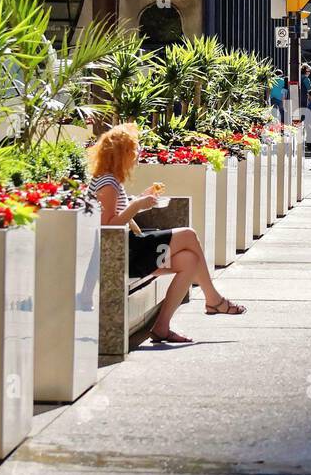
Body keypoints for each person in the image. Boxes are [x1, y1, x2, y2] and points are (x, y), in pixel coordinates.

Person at [88, 123, 246, 344]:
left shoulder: (110, 180)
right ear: (121, 154)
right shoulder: (108, 183)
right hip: (124, 253)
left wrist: (138, 200)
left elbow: (113, 214)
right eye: (134, 151)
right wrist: (137, 206)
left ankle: (162, 327)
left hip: (129, 249)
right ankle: (213, 298)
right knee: (188, 235)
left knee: (189, 260)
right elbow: (107, 227)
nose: (137, 156)